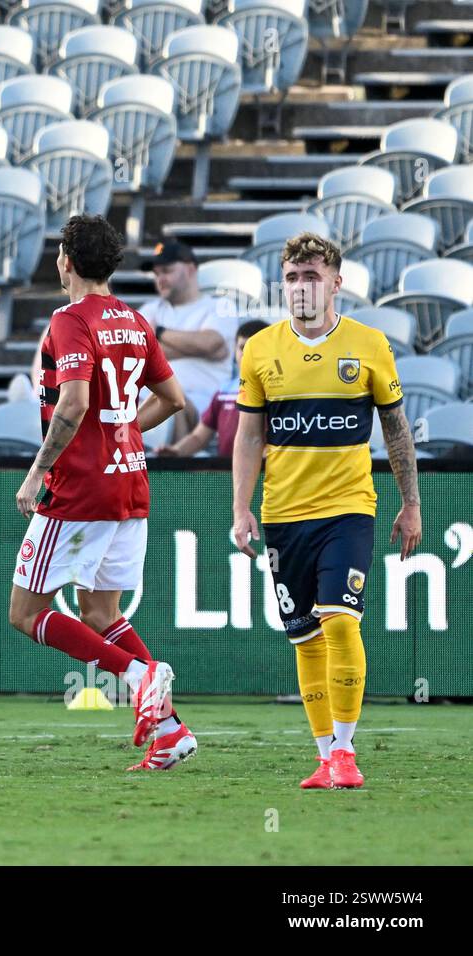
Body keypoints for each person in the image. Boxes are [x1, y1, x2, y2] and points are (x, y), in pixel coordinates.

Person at [232, 232, 421, 791]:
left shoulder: (368, 345)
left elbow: (396, 428)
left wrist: (410, 503)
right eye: (292, 277)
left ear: (336, 283)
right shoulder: (261, 348)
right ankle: (324, 757)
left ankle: (345, 750)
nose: (300, 287)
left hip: (348, 509)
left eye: (311, 276)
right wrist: (242, 508)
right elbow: (249, 434)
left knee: (340, 619)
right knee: (305, 636)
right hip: (283, 514)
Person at [10, 214, 193, 772]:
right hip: (129, 483)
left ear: (66, 260)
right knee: (99, 610)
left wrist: (38, 470)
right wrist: (127, 432)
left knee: (24, 611)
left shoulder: (70, 320)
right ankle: (170, 729)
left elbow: (73, 403)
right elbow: (174, 398)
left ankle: (139, 677)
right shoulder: (135, 321)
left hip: (79, 488)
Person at [136, 240, 238, 442]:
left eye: (166, 270)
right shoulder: (150, 309)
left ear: (191, 269)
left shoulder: (219, 305)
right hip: (147, 399)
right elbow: (134, 352)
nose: (160, 279)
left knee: (174, 404)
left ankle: (177, 470)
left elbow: (210, 343)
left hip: (204, 402)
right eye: (156, 274)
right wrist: (196, 348)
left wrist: (159, 332)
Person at [155, 319, 268, 458]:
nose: (246, 354)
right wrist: (177, 451)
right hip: (225, 476)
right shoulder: (223, 392)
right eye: (242, 347)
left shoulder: (280, 394)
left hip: (267, 475)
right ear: (234, 349)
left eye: (254, 348)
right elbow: (199, 437)